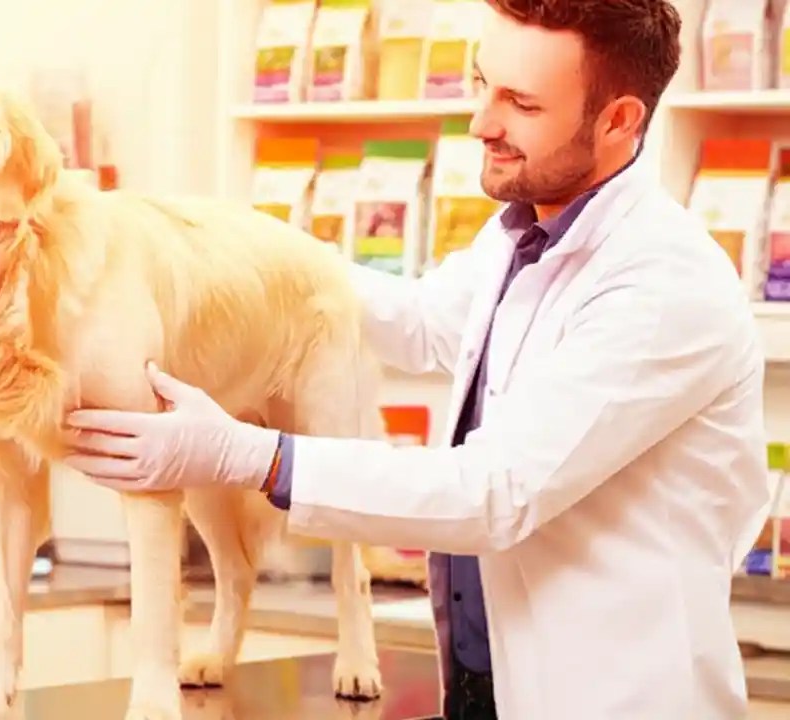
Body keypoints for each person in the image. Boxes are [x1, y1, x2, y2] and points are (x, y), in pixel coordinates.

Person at [62, 1, 772, 718]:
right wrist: (244, 253)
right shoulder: (525, 237)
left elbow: (494, 491)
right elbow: (423, 322)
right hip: (489, 690)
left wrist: (253, 457)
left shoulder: (662, 284)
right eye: (482, 84)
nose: (482, 123)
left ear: (619, 120)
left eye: (521, 103)